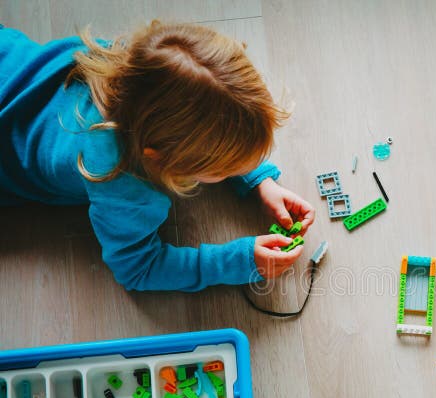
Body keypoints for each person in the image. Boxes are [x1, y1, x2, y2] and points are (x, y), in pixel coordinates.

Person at [0, 21, 314, 291]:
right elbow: (138, 268)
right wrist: (239, 260)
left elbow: (216, 117)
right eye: (226, 167)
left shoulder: (145, 69)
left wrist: (260, 179)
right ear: (161, 160)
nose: (237, 169)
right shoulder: (123, 184)